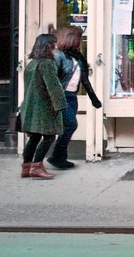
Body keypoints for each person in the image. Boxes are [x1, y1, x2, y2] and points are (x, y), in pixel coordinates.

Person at [48, 25, 102, 169]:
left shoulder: (77, 57)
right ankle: (55, 156)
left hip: (72, 96)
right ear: (72, 39)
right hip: (62, 96)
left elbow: (84, 80)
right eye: (79, 38)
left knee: (68, 126)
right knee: (71, 125)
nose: (80, 42)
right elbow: (51, 78)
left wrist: (94, 99)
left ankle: (61, 158)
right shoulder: (58, 55)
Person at [18, 33, 67, 180]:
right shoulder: (46, 64)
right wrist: (60, 106)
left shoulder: (32, 64)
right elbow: (54, 87)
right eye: (54, 45)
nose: (56, 48)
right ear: (49, 47)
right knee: (49, 136)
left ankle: (26, 167)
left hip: (30, 107)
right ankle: (37, 166)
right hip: (44, 108)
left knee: (34, 137)